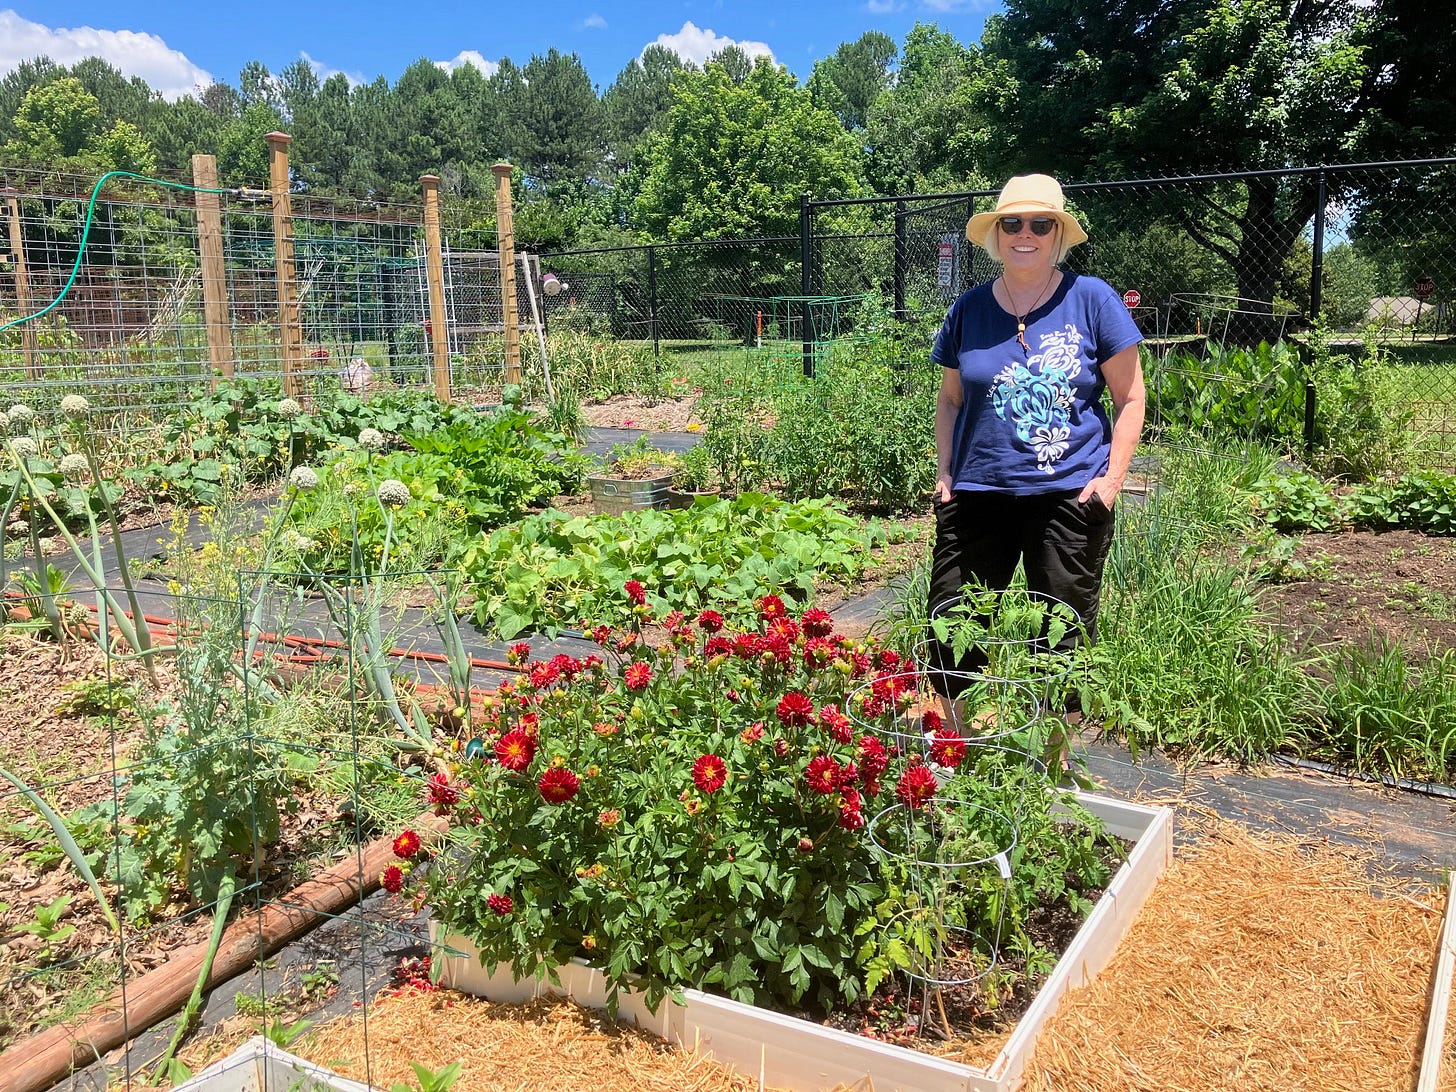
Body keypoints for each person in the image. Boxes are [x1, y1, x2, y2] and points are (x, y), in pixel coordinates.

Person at [925, 173, 1145, 709]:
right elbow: (950, 399)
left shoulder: (1091, 298)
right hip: (978, 493)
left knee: (1061, 635)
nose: (1026, 233)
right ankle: (959, 745)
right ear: (997, 234)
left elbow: (1132, 399)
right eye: (1013, 223)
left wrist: (1110, 483)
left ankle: (1052, 761)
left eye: (1040, 223)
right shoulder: (968, 310)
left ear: (1059, 233)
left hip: (1068, 497)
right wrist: (945, 475)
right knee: (953, 622)